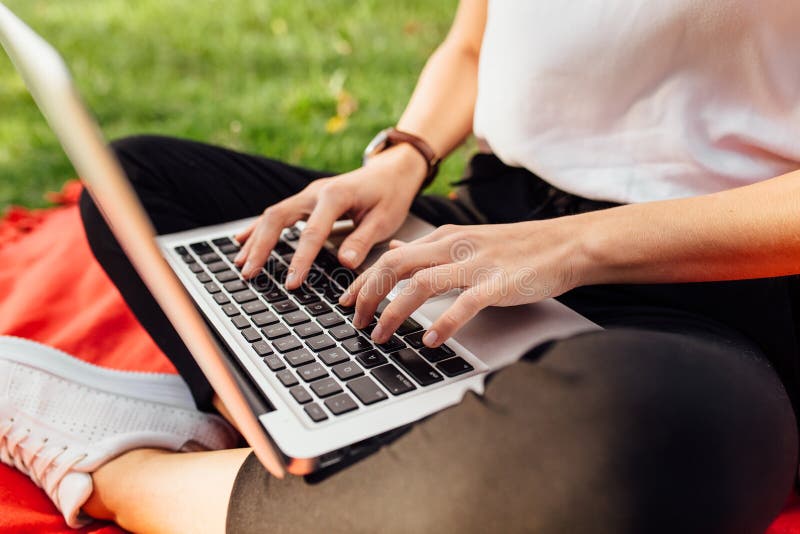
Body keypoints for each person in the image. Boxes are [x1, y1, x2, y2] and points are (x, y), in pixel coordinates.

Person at [3, 1, 800, 532]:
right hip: (486, 228)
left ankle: (128, 470)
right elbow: (472, 44)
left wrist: (574, 245)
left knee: (649, 433)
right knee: (142, 187)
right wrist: (406, 157)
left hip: (715, 289)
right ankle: (325, 433)